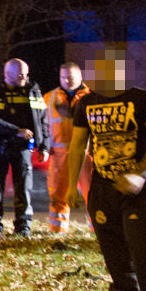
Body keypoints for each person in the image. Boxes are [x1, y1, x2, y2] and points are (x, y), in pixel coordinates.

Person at [67, 81, 146, 291]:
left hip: (140, 189)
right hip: (104, 186)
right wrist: (70, 187)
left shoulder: (143, 99)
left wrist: (139, 175)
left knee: (142, 248)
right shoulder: (87, 103)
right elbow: (77, 146)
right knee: (113, 249)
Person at [0, 58, 49, 239]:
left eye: (26, 73)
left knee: (24, 190)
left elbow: (42, 122)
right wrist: (16, 131)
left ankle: (23, 230)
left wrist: (44, 146)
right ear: (8, 75)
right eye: (21, 74)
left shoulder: (33, 92)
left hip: (23, 149)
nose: (25, 77)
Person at [45, 62, 92, 232]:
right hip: (59, 156)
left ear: (80, 77)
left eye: (70, 77)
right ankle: (58, 231)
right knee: (58, 194)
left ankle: (98, 231)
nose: (66, 80)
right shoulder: (49, 98)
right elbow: (43, 125)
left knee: (92, 194)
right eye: (63, 77)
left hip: (87, 155)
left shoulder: (92, 96)